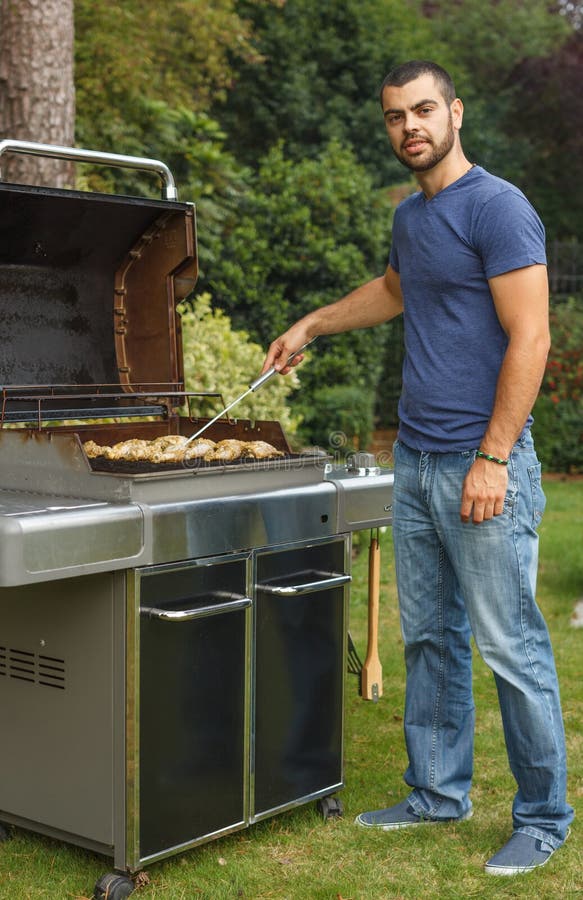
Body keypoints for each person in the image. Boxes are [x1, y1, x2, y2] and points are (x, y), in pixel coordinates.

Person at [261, 60, 574, 876]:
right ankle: (437, 792)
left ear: (455, 113)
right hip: (418, 459)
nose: (410, 127)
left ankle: (542, 819)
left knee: (510, 646)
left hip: (483, 464)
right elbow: (398, 289)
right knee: (430, 637)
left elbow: (530, 338)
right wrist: (313, 324)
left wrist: (493, 458)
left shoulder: (499, 208)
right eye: (397, 116)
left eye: (424, 110)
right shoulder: (412, 215)